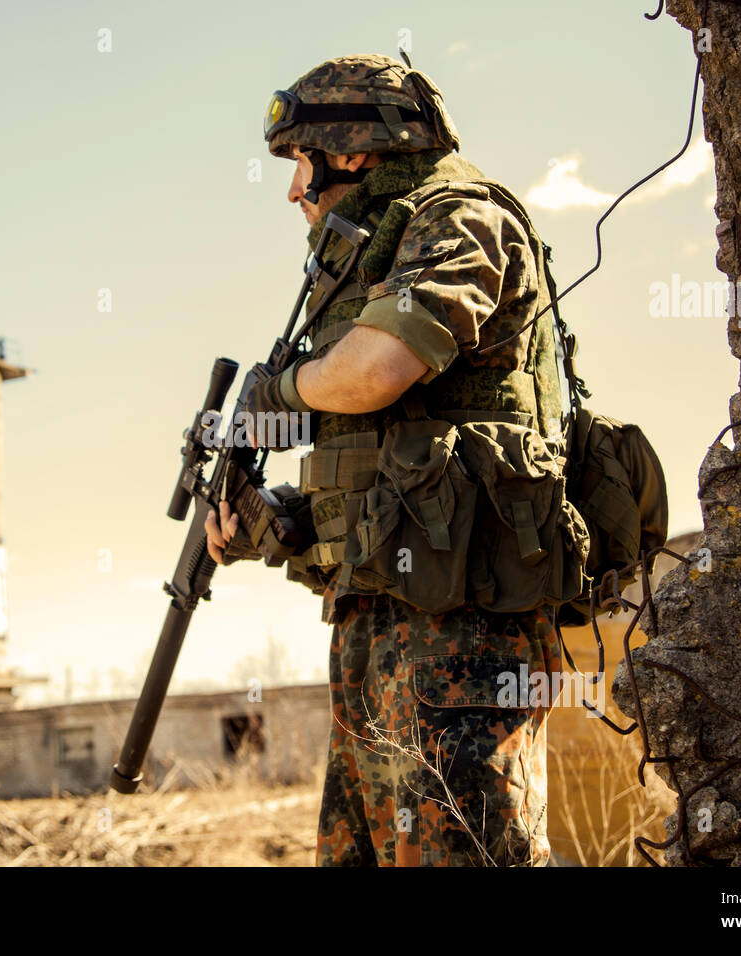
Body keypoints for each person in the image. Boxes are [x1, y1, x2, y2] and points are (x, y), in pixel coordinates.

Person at [204, 54, 567, 867]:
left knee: (465, 852)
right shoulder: (373, 250)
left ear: (355, 149)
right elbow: (380, 461)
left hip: (464, 629)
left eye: (301, 161)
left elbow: (375, 373)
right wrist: (281, 524)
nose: (294, 189)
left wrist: (283, 391)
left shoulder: (460, 216)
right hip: (379, 624)